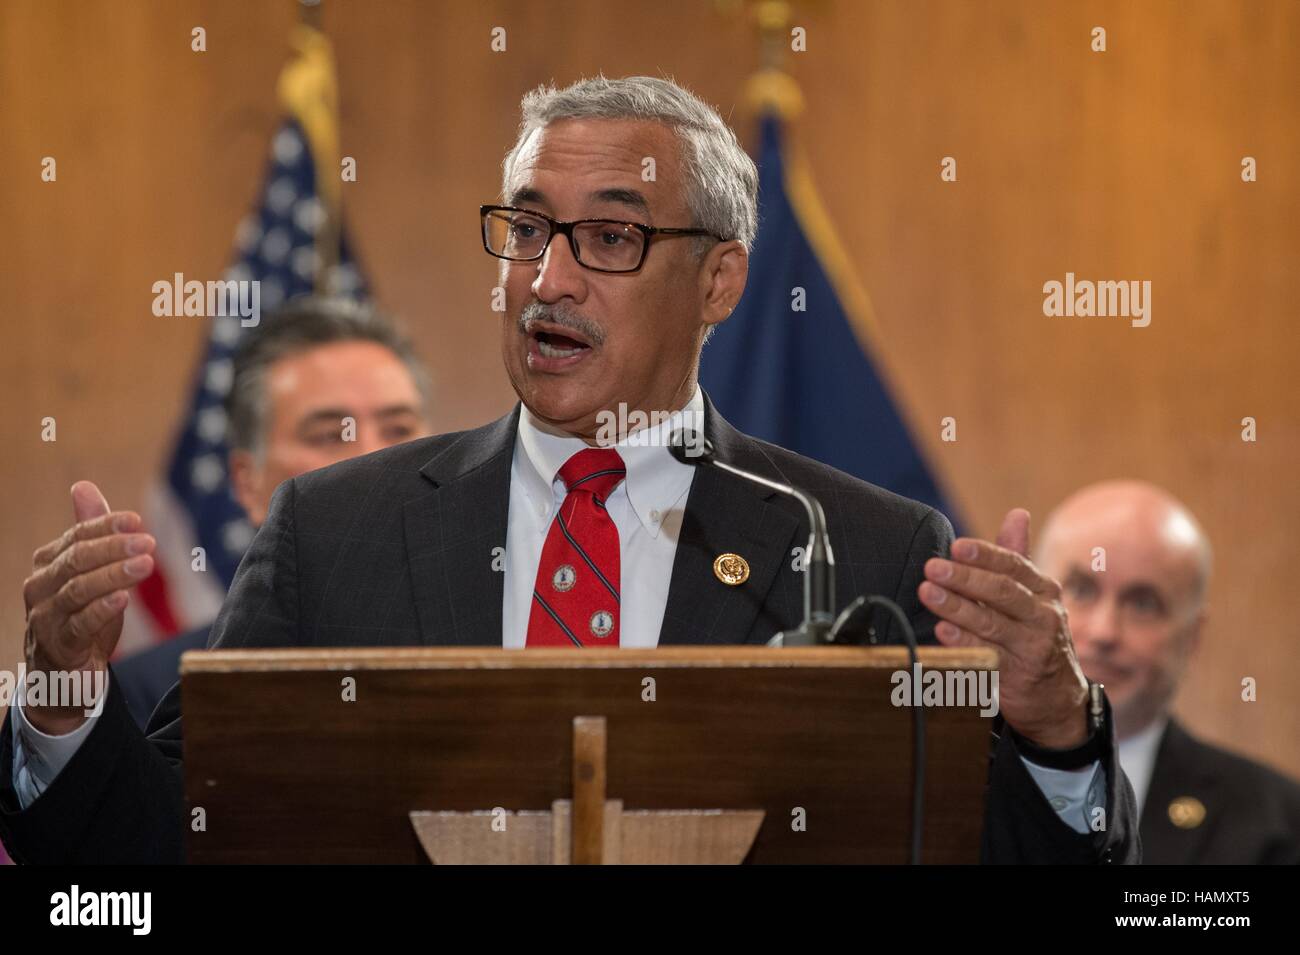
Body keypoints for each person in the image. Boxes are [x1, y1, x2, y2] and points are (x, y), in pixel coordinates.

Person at [1, 75, 1138, 864]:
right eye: (528, 228)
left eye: (609, 237)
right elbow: (161, 859)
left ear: (722, 283)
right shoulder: (332, 531)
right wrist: (63, 695)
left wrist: (1054, 727)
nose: (547, 278)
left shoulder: (866, 546)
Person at [113, 297, 434, 729]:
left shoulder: (502, 649)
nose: (374, 456)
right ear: (248, 483)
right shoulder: (148, 694)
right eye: (330, 434)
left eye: (398, 429)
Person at [1038, 479, 1300, 864]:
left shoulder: (1276, 822)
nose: (1104, 631)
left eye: (1143, 604)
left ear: (1192, 636)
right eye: (1081, 590)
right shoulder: (953, 780)